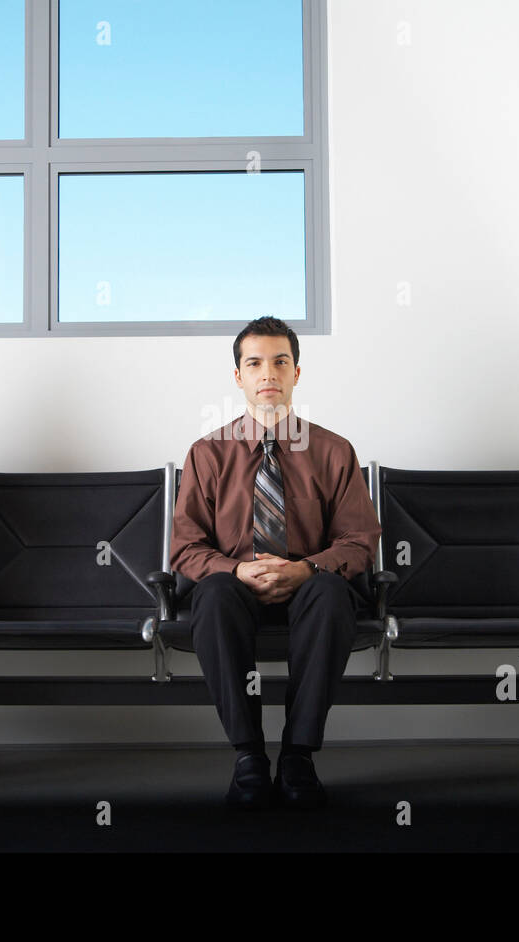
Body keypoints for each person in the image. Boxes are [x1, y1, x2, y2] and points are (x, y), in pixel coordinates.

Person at [171, 316, 381, 809]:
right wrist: (236, 570)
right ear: (239, 377)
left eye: (280, 362)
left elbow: (359, 539)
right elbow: (185, 547)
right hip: (237, 591)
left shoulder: (333, 451)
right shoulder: (207, 454)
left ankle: (297, 755)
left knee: (330, 590)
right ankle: (248, 756)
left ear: (297, 374)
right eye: (255, 363)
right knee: (215, 592)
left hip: (308, 592)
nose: (269, 373)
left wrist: (306, 569)